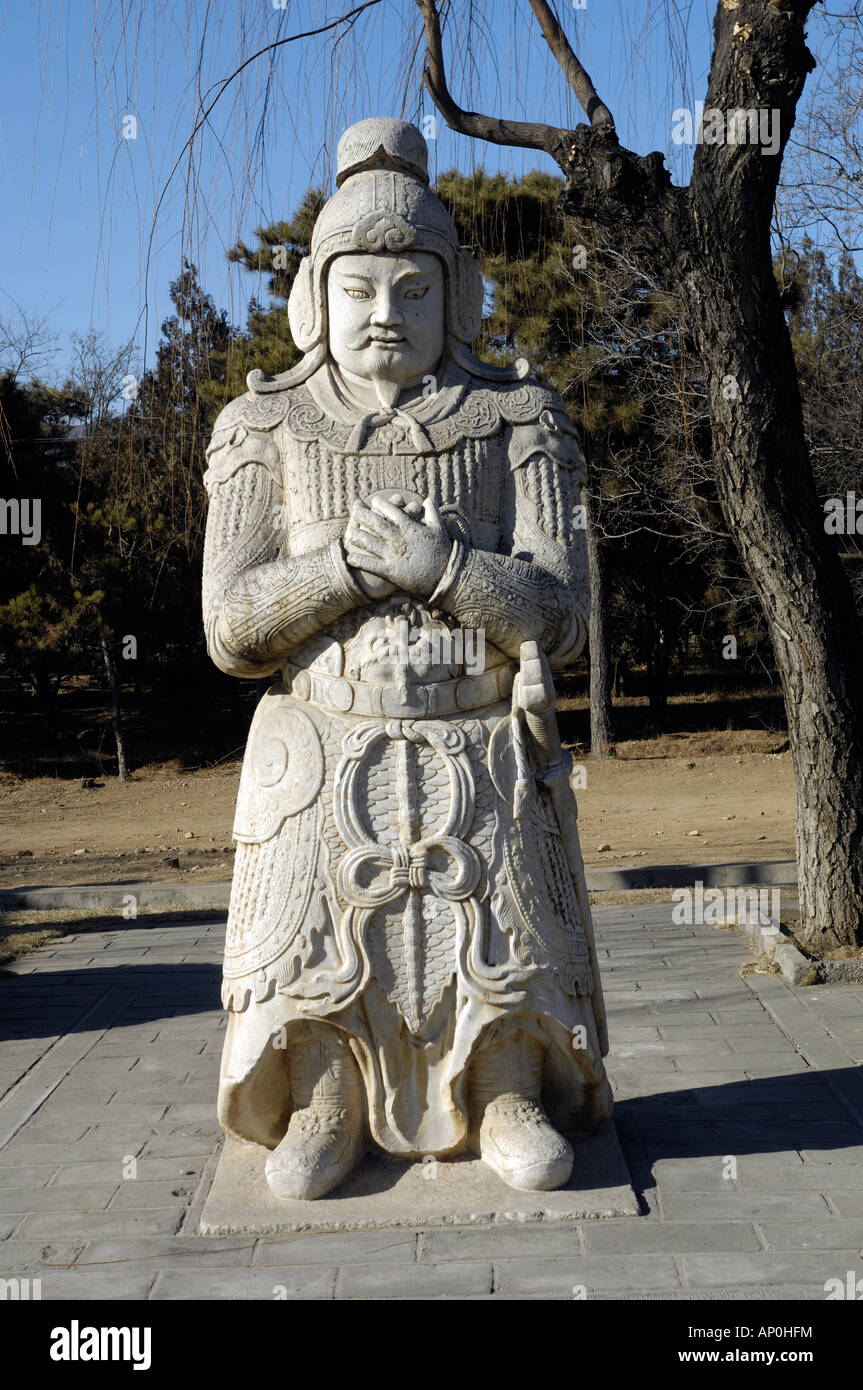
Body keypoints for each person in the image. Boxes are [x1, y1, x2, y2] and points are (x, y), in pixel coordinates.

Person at [202, 117, 611, 1200]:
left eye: (413, 289)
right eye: (359, 288)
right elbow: (231, 627)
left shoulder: (515, 414)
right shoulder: (266, 424)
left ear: (457, 295)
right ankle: (327, 1095)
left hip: (477, 730)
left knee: (494, 915)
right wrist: (343, 565)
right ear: (313, 298)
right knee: (326, 931)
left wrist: (439, 567)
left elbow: (561, 611)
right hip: (324, 735)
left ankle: (506, 1082)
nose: (385, 313)